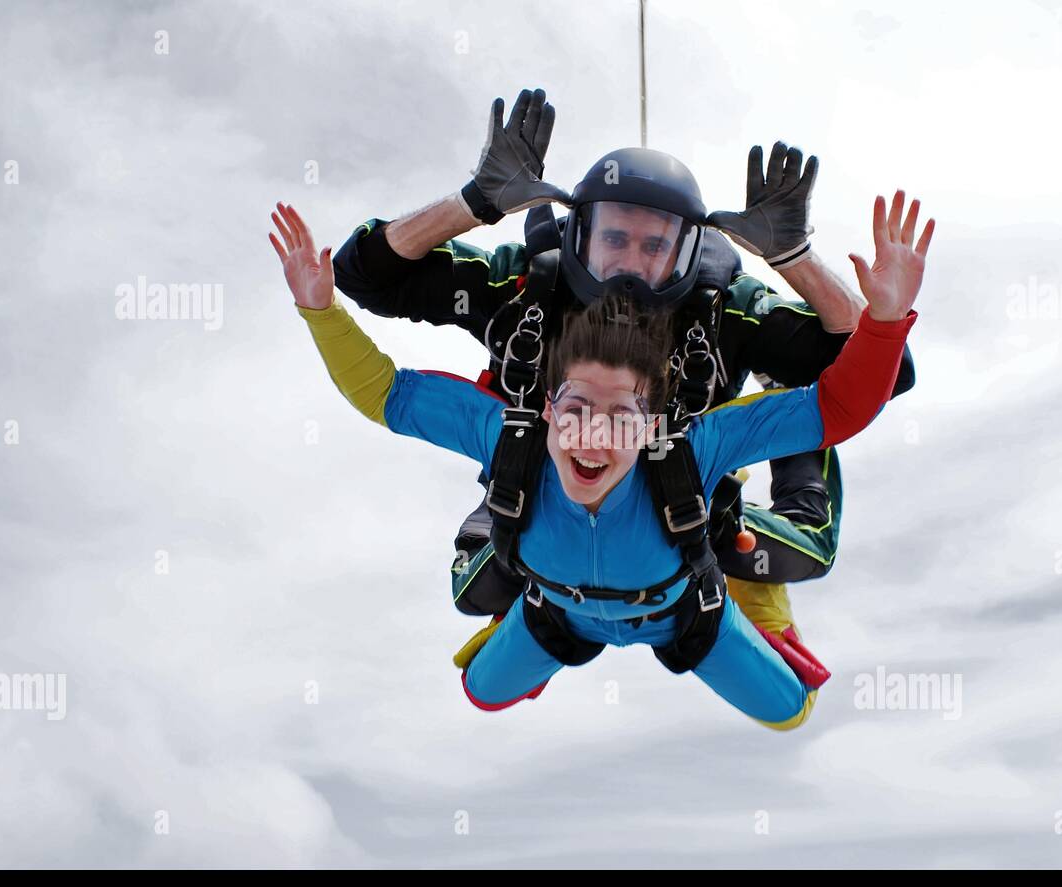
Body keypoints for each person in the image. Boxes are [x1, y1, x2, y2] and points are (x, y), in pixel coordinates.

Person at [268, 189, 934, 729]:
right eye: (578, 410)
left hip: (688, 614)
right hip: (558, 614)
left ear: (652, 426)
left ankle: (759, 554)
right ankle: (521, 596)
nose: (593, 437)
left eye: (622, 419)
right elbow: (386, 393)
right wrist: (319, 308)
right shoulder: (511, 429)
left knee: (791, 710)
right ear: (549, 407)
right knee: (480, 690)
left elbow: (843, 408)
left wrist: (884, 319)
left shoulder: (696, 445)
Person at [329, 89, 917, 652]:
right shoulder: (526, 289)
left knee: (802, 552)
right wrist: (472, 204)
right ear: (578, 236)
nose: (632, 267)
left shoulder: (724, 309)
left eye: (655, 248)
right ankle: (555, 606)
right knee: (478, 589)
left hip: (690, 505)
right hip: (544, 497)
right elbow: (361, 275)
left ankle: (783, 426)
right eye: (615, 238)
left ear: (689, 255)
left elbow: (887, 372)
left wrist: (797, 260)